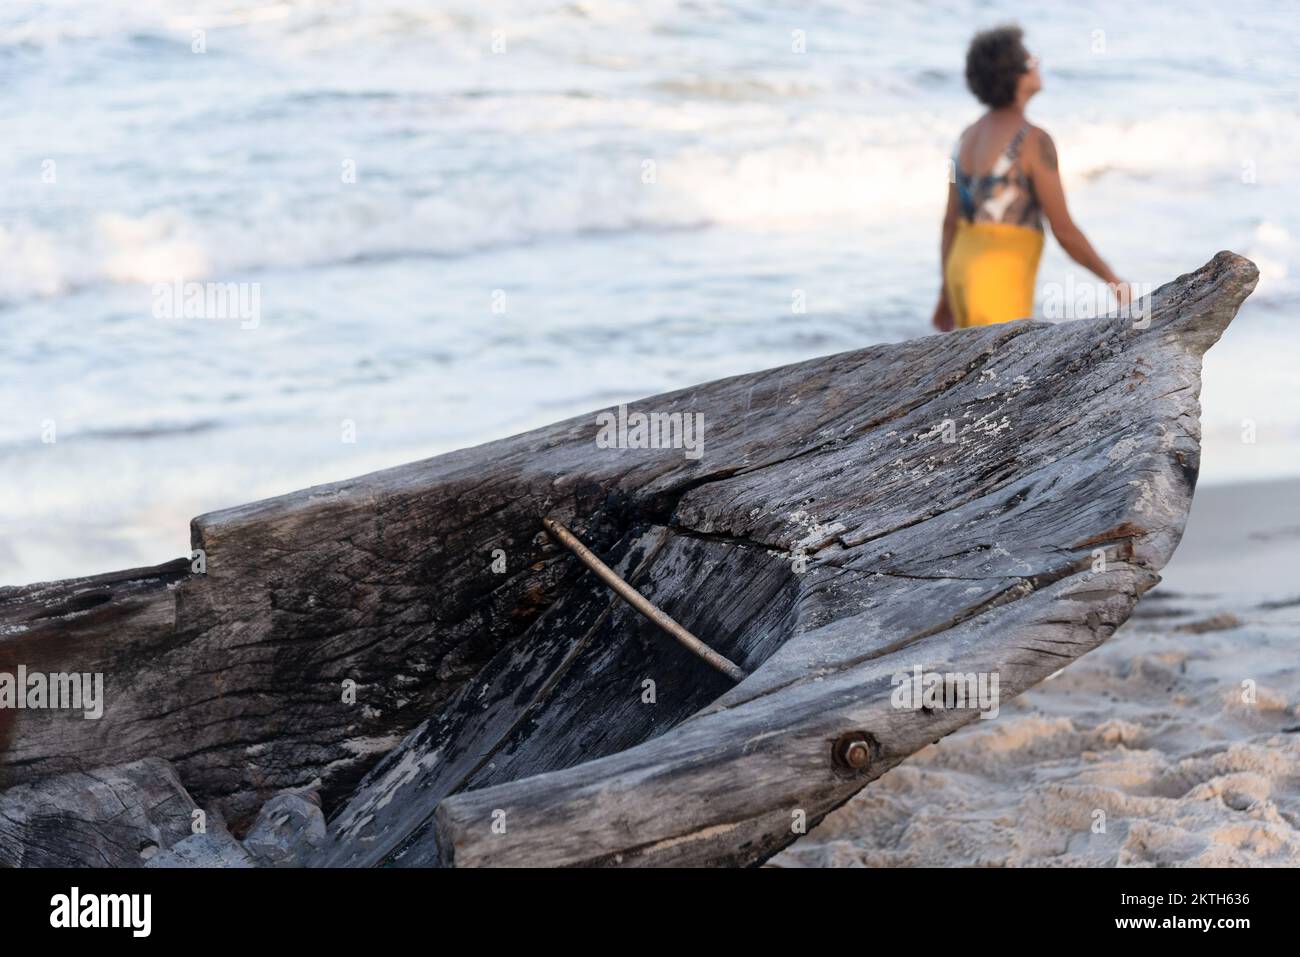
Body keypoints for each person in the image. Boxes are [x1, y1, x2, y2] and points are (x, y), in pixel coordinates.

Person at [933, 25, 1128, 332]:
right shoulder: (1034, 141)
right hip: (995, 279)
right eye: (1029, 59)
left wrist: (945, 292)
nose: (1036, 63)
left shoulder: (965, 137)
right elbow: (1064, 230)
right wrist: (1113, 281)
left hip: (961, 270)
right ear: (1014, 74)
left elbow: (949, 221)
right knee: (1002, 375)